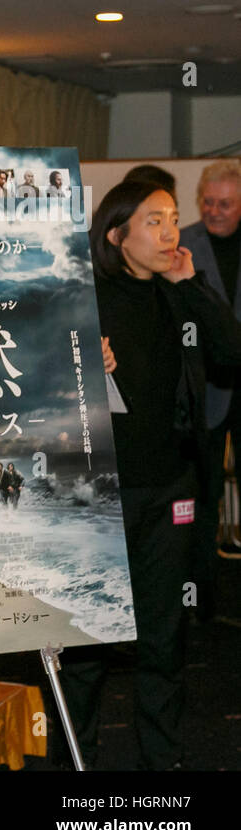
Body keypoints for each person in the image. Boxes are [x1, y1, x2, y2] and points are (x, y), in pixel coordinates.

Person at [59, 180, 241, 770]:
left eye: (172, 219)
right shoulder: (83, 298)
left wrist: (193, 285)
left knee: (164, 639)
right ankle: (73, 758)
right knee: (86, 640)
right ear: (118, 235)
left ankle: (161, 766)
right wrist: (82, 360)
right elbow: (42, 389)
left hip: (169, 490)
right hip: (97, 494)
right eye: (155, 222)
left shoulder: (177, 292)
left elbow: (231, 355)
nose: (171, 234)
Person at [178, 160, 241, 579]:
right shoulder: (181, 246)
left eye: (226, 204)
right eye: (208, 202)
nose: (215, 210)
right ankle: (203, 581)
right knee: (205, 489)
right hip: (206, 389)